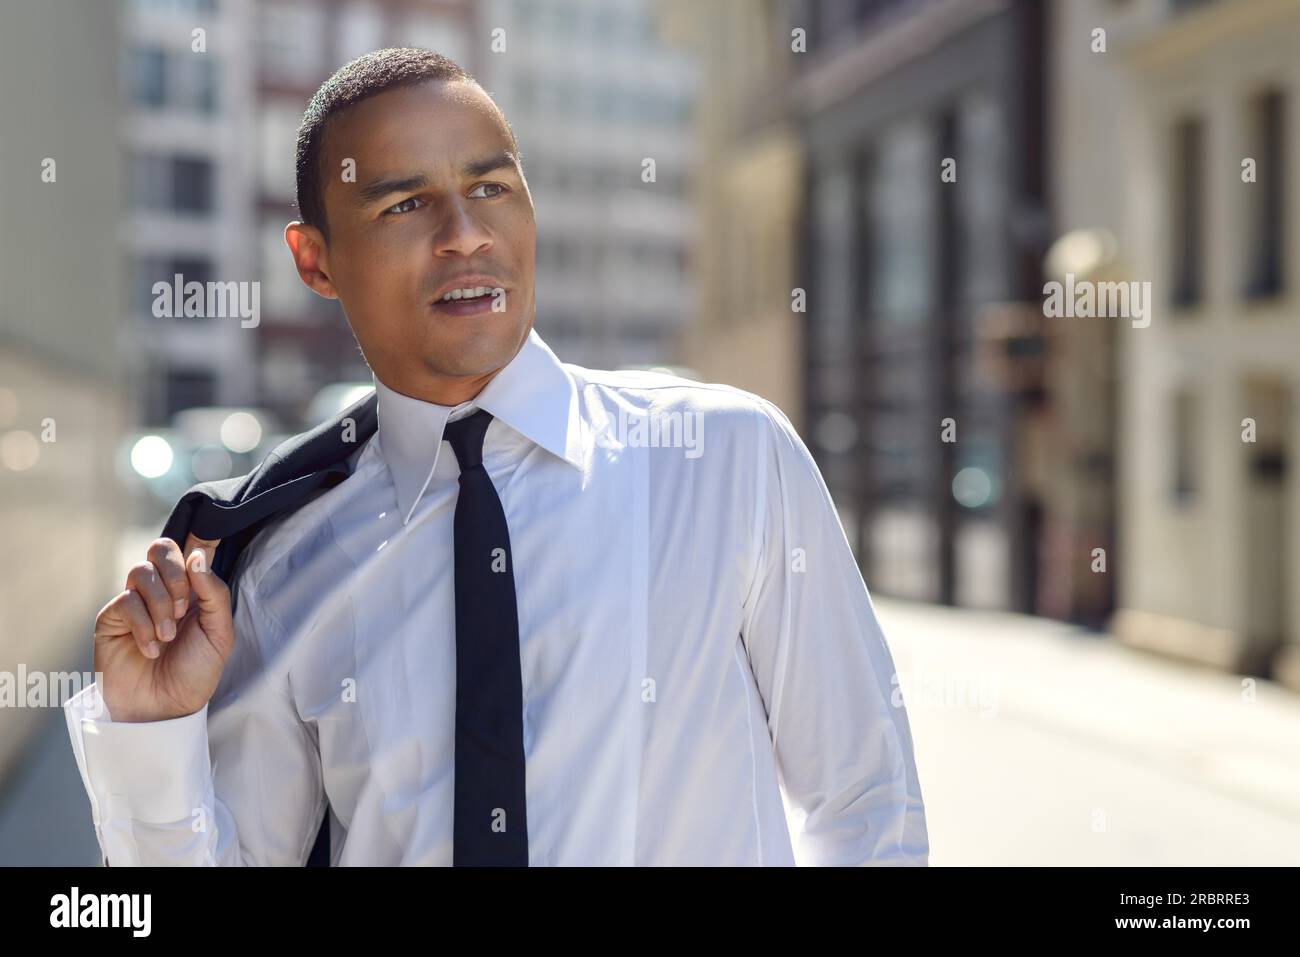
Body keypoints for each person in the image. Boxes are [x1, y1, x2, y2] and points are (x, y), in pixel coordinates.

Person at [64, 47, 929, 866]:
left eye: (491, 187)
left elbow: (867, 802)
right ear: (315, 260)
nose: (466, 234)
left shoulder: (728, 461)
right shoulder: (281, 567)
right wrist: (153, 731)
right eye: (404, 204)